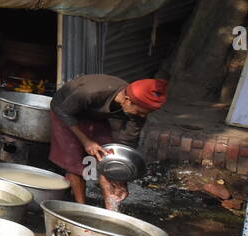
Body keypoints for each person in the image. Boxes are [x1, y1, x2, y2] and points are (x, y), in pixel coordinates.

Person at [49, 75, 167, 211]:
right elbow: (64, 111)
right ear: (127, 101)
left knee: (107, 157)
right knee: (76, 163)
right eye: (140, 112)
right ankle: (81, 209)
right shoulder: (91, 92)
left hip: (95, 115)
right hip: (65, 112)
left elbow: (127, 142)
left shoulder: (138, 110)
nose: (141, 116)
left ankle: (111, 210)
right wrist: (86, 141)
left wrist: (121, 178)